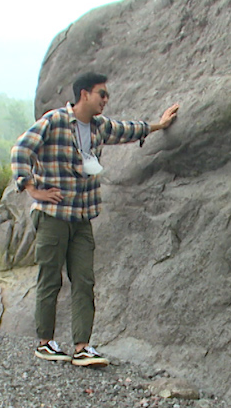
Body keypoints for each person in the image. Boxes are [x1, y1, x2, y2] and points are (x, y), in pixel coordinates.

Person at [10, 72, 179, 367]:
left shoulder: (99, 127)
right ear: (84, 94)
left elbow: (128, 130)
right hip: (52, 216)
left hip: (82, 217)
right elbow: (21, 148)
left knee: (84, 280)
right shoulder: (55, 121)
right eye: (101, 94)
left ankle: (82, 347)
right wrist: (32, 189)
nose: (105, 100)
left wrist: (159, 125)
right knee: (50, 277)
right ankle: (45, 342)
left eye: (107, 96)